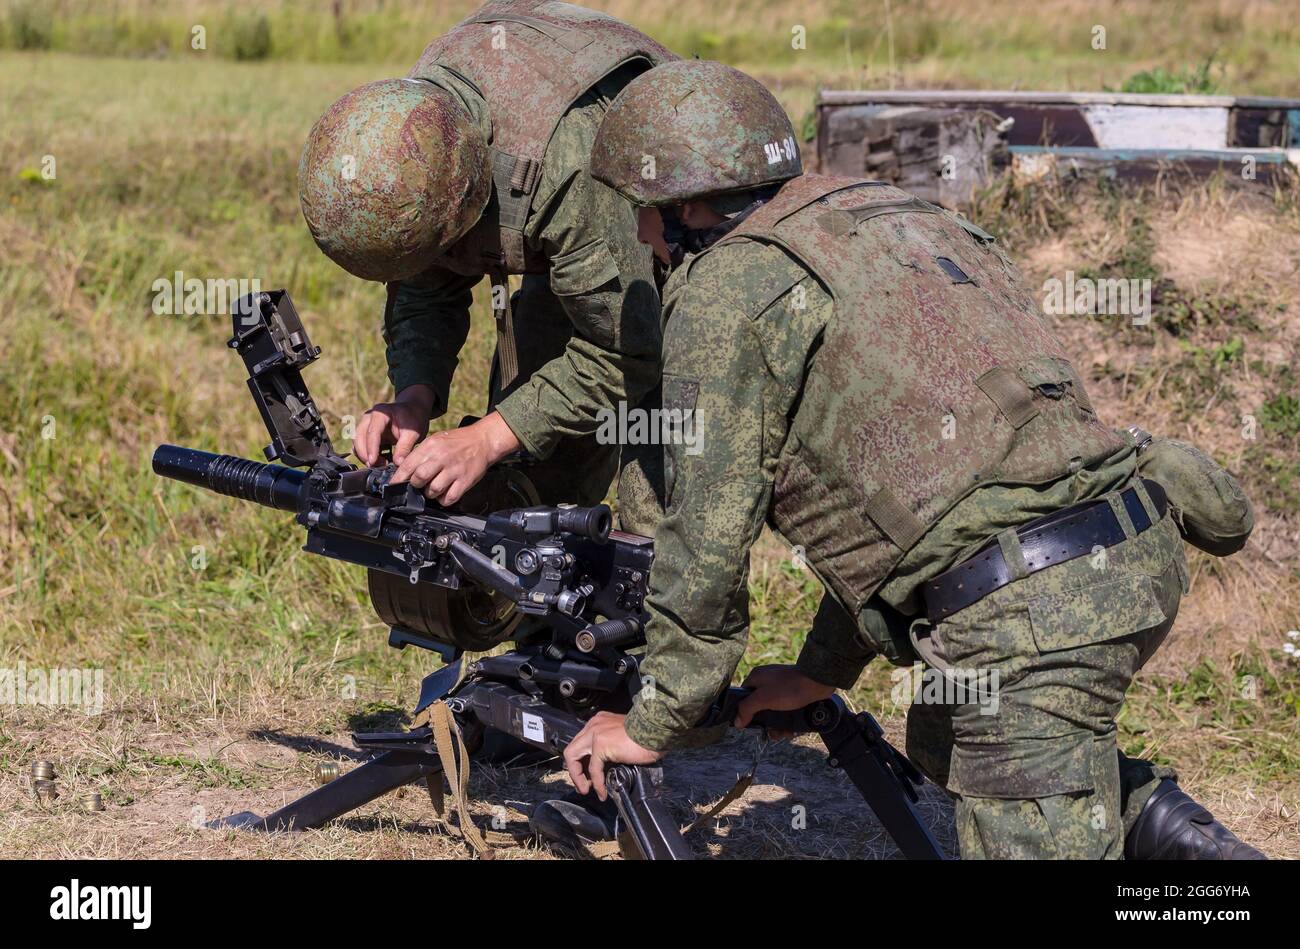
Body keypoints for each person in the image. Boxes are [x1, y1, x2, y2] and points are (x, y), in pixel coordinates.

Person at [562, 59, 1264, 860]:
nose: (643, 238)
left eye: (644, 215)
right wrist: (822, 672)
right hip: (1127, 548)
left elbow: (708, 541)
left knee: (1025, 806)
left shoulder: (728, 289)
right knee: (950, 746)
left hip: (1032, 614)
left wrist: (654, 720)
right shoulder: (889, 218)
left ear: (686, 206)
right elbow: (918, 507)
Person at [297, 0, 670, 528]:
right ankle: (544, 600)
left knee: (661, 523)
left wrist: (488, 436)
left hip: (669, 241)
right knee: (529, 483)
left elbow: (625, 351)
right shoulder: (415, 143)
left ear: (468, 203)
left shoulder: (568, 168)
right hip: (573, 239)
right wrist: (414, 397)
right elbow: (426, 286)